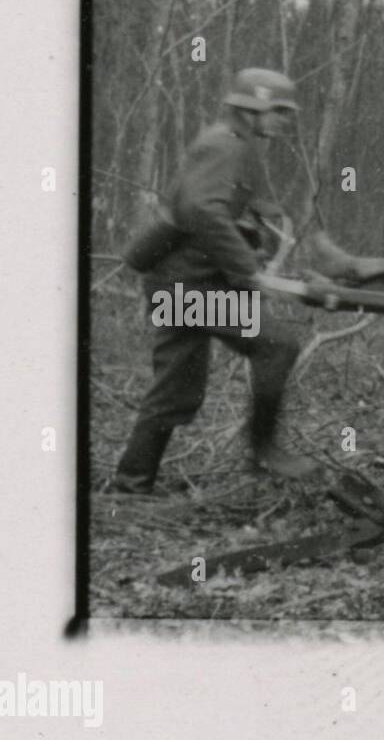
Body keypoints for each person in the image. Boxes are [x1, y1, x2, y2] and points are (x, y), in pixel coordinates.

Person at [111, 67, 318, 494]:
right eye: (278, 111)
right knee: (277, 345)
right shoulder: (225, 144)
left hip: (178, 285)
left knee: (175, 390)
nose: (284, 121)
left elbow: (212, 203)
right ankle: (263, 451)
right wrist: (248, 270)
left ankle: (131, 486)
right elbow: (203, 210)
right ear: (253, 108)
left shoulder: (229, 143)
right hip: (188, 288)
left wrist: (262, 218)